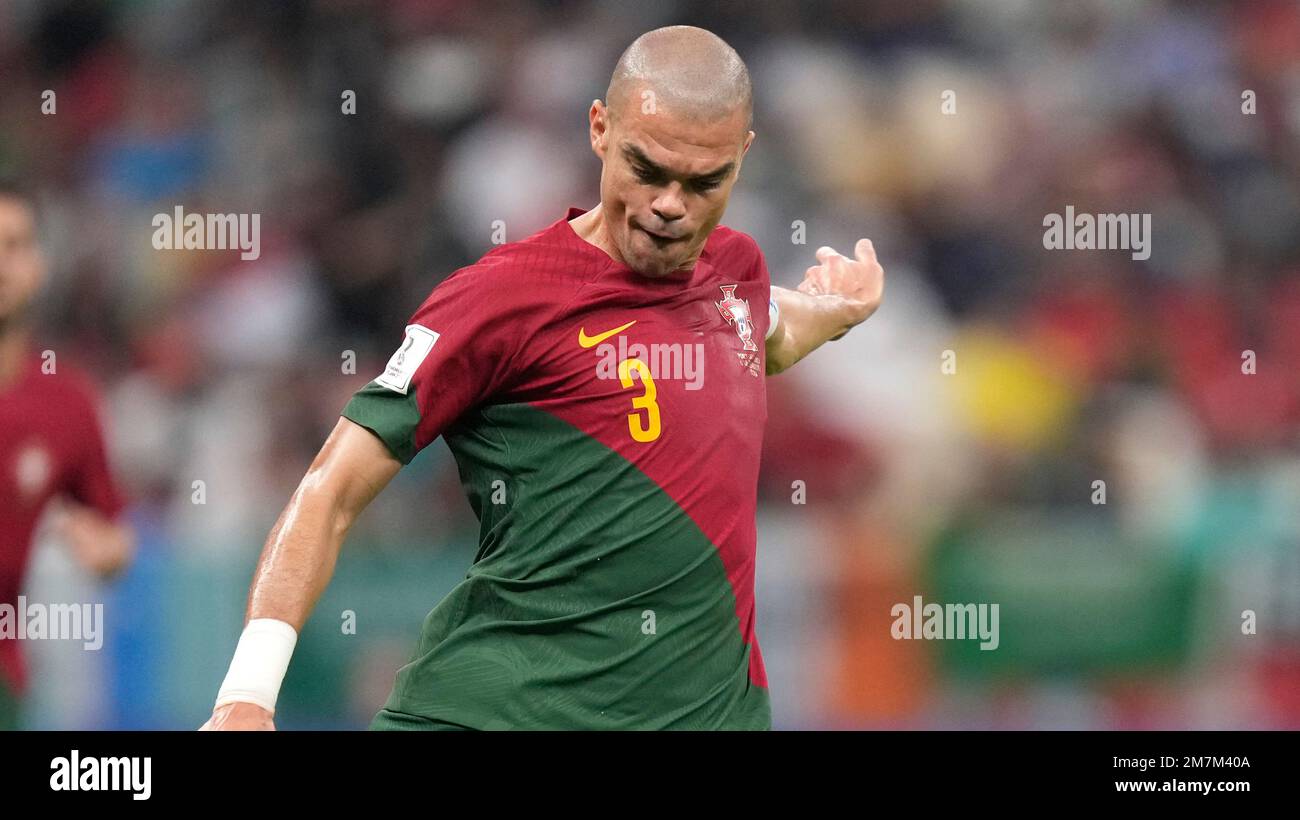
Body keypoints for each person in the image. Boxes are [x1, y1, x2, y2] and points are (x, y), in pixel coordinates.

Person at [203, 25, 883, 730]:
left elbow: (765, 334)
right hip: (498, 712)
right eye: (646, 169)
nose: (671, 205)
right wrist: (247, 695)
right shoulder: (500, 299)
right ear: (599, 128)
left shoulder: (736, 272)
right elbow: (331, 489)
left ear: (742, 156)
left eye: (703, 182)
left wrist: (840, 311)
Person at [0, 179, 135, 730]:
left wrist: (104, 548)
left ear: (40, 265)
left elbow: (113, 533)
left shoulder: (66, 404)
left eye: (14, 246)